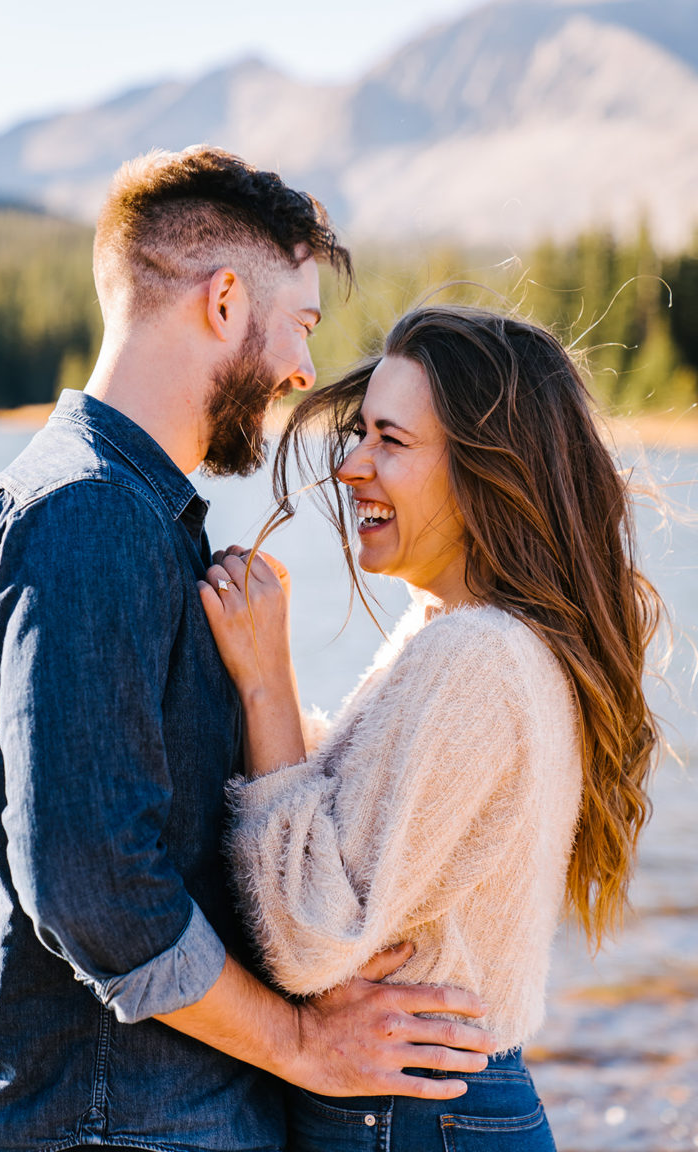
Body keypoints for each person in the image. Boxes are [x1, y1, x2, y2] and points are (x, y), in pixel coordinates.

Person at [0, 151, 496, 1152]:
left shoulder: (128, 513)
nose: (301, 371)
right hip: (113, 1125)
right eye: (303, 325)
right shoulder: (89, 516)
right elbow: (94, 883)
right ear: (226, 301)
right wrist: (303, 1044)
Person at [199, 305, 662, 1150]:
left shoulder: (476, 656)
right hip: (433, 1111)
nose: (351, 467)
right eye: (359, 434)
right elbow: (348, 856)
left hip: (414, 1116)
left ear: (486, 469)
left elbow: (310, 939)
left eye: (391, 441)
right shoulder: (463, 633)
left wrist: (267, 683)